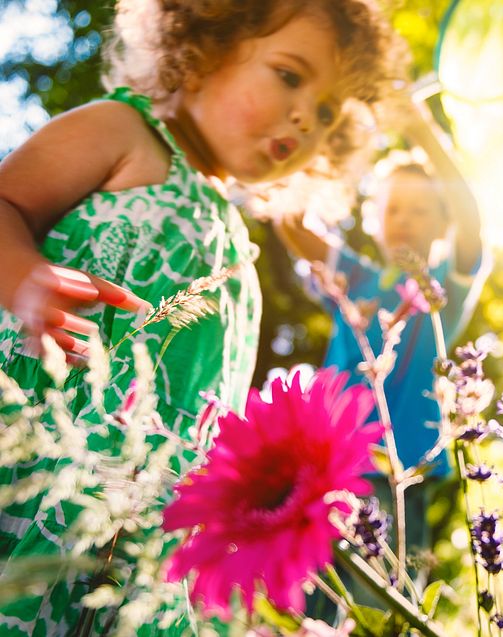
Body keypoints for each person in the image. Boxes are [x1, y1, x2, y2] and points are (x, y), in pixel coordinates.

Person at [0, 0, 403, 633]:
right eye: (291, 75)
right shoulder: (122, 132)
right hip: (39, 450)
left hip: (140, 528)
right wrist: (24, 276)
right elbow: (6, 201)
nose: (306, 115)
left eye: (328, 111)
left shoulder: (238, 250)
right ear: (206, 44)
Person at [272, 93, 487, 562]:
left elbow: (472, 222)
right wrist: (330, 129)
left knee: (380, 607)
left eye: (419, 209)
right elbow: (287, 215)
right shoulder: (357, 280)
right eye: (393, 209)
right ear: (373, 222)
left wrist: (420, 130)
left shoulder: (442, 290)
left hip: (398, 474)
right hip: (322, 469)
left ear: (442, 224)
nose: (404, 219)